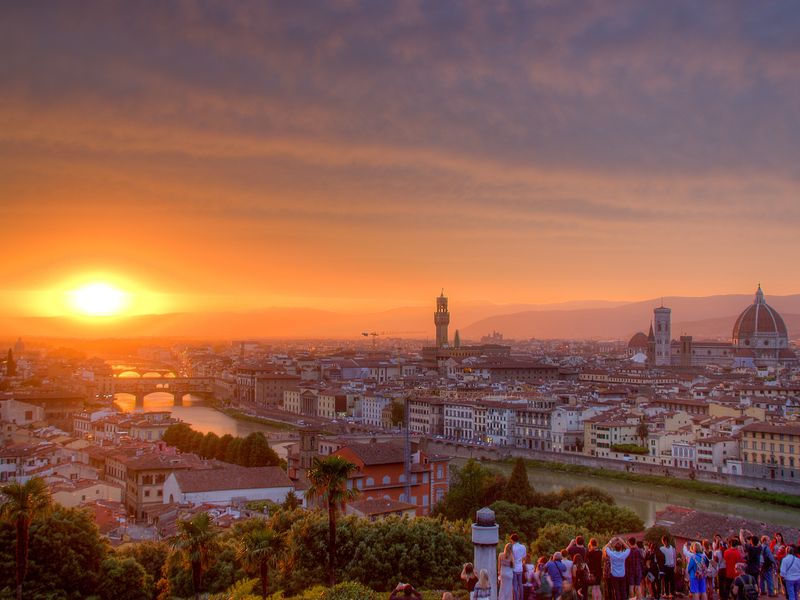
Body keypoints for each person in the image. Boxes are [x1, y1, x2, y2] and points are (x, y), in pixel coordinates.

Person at [660, 535, 677, 600]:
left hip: (671, 566)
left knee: (672, 581)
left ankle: (672, 593)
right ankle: (667, 594)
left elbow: (674, 557)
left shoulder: (672, 548)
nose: (664, 542)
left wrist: (675, 566)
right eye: (663, 541)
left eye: (665, 541)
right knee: (666, 581)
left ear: (666, 541)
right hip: (666, 567)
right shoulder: (662, 549)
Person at [513, 533, 528, 600]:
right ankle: (521, 598)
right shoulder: (523, 547)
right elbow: (524, 557)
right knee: (520, 584)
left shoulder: (512, 547)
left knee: (515, 585)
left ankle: (516, 598)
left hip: (514, 568)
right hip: (520, 567)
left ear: (512, 540)